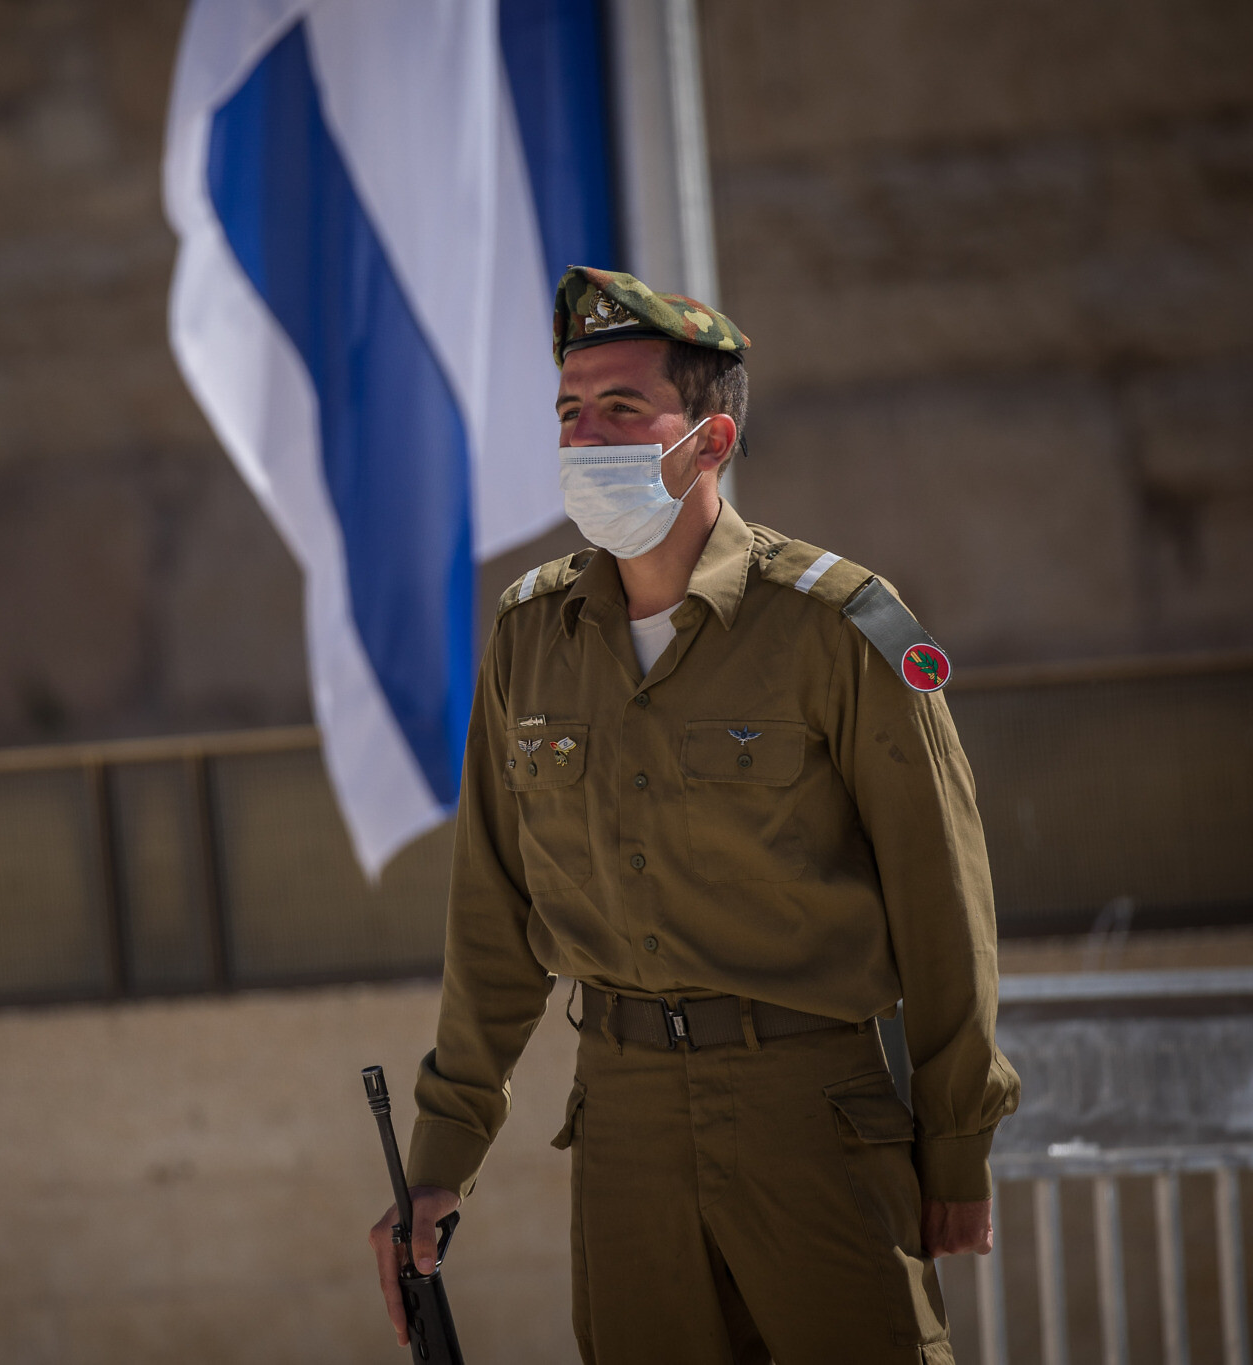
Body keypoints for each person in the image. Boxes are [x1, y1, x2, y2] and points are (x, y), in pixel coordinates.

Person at [367, 267, 1018, 1364]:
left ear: (709, 440)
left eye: (622, 409)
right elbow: (491, 922)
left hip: (809, 1110)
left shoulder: (836, 626)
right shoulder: (528, 637)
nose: (584, 437)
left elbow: (942, 903)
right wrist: (440, 1159)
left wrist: (956, 1146)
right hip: (619, 1121)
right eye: (570, 410)